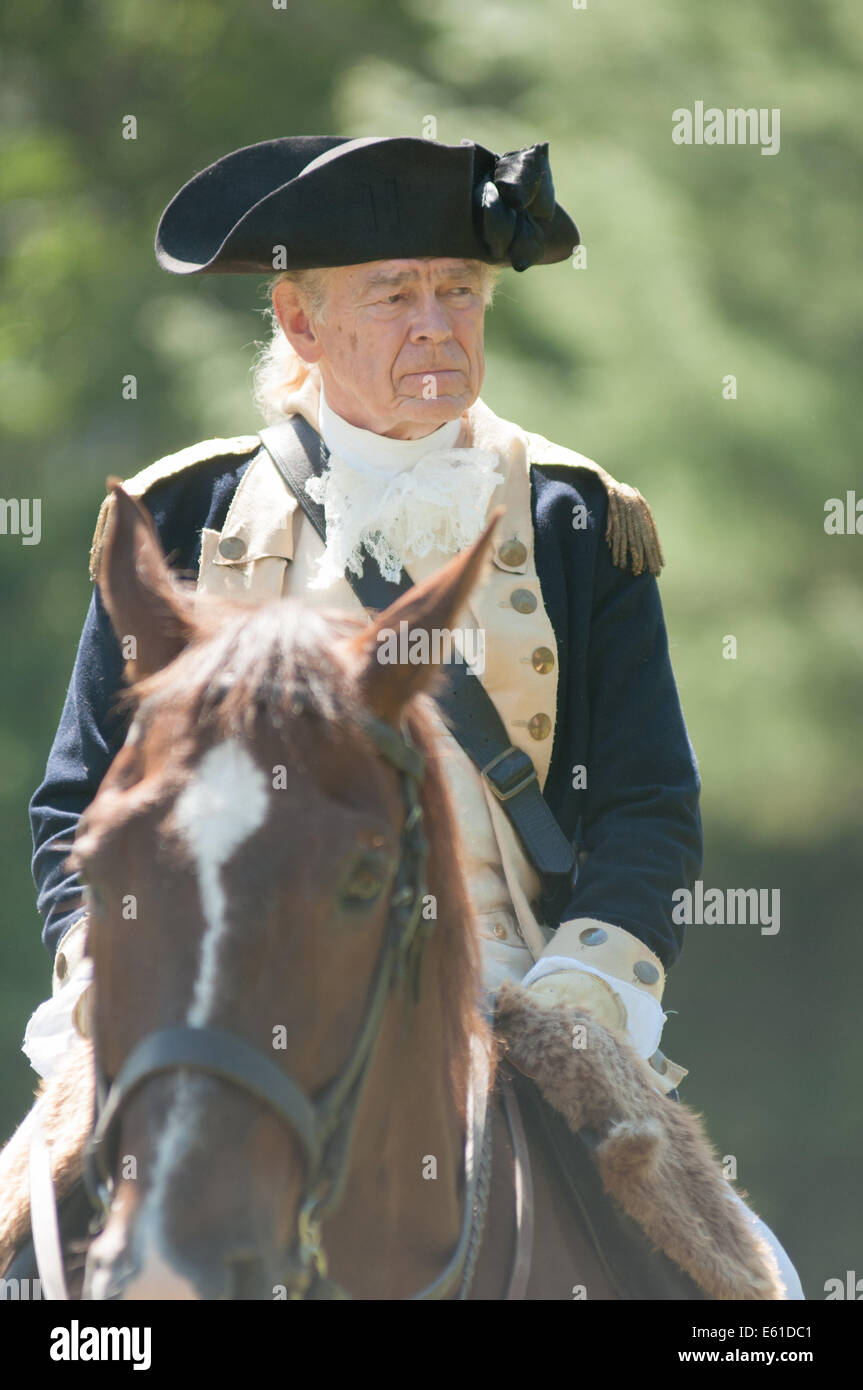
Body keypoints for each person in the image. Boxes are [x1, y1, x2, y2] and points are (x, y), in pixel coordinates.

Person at [21, 134, 802, 1295]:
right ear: (298, 323)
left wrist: (581, 987)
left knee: (751, 1289)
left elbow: (644, 805)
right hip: (211, 991)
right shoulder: (179, 515)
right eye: (394, 295)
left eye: (459, 290)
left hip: (524, 990)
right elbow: (79, 806)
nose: (437, 324)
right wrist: (109, 961)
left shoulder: (579, 520)